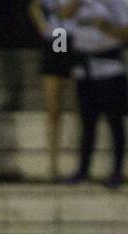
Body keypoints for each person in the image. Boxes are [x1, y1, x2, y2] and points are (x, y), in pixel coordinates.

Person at [64, 0, 128, 188]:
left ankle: (117, 171)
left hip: (110, 67)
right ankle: (83, 169)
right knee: (87, 123)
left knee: (115, 121)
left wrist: (109, 29)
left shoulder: (122, 3)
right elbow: (62, 16)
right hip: (84, 68)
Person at [28, 1, 79, 181]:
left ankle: (77, 164)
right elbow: (34, 5)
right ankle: (54, 164)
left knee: (78, 104)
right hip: (59, 36)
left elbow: (69, 10)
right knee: (53, 107)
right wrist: (43, 26)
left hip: (80, 38)